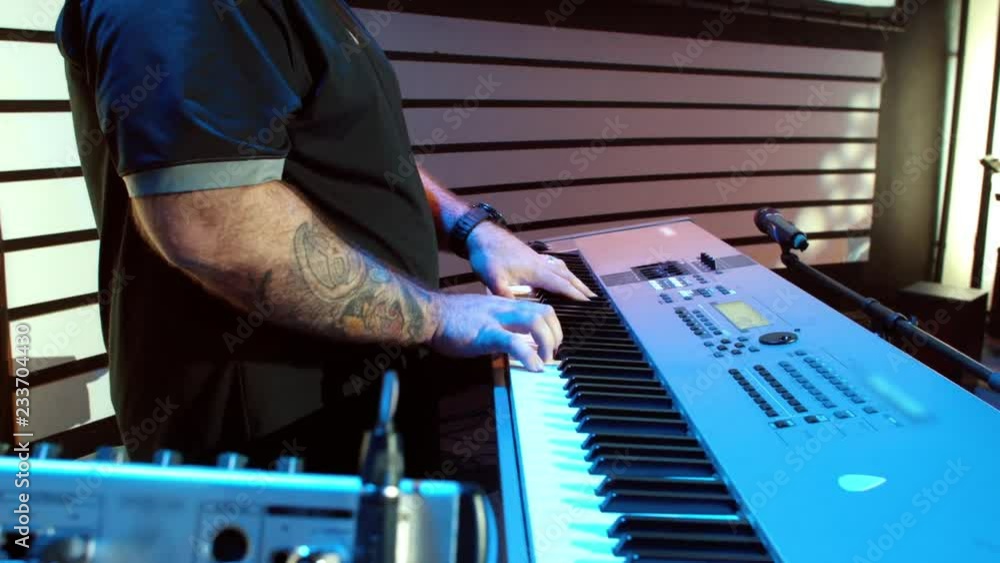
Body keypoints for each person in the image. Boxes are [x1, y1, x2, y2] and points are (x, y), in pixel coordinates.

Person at [55, 0, 595, 474]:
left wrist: (467, 227)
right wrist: (436, 316)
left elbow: (357, 148)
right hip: (261, 435)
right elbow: (210, 225)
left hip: (353, 401)